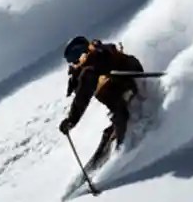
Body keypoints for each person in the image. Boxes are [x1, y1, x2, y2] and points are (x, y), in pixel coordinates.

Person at [58, 36, 145, 166]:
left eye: (75, 58)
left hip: (129, 84)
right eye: (71, 61)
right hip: (121, 90)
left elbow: (82, 97)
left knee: (121, 116)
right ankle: (101, 160)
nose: (75, 63)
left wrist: (71, 121)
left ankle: (122, 155)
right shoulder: (87, 66)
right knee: (111, 128)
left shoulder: (93, 64)